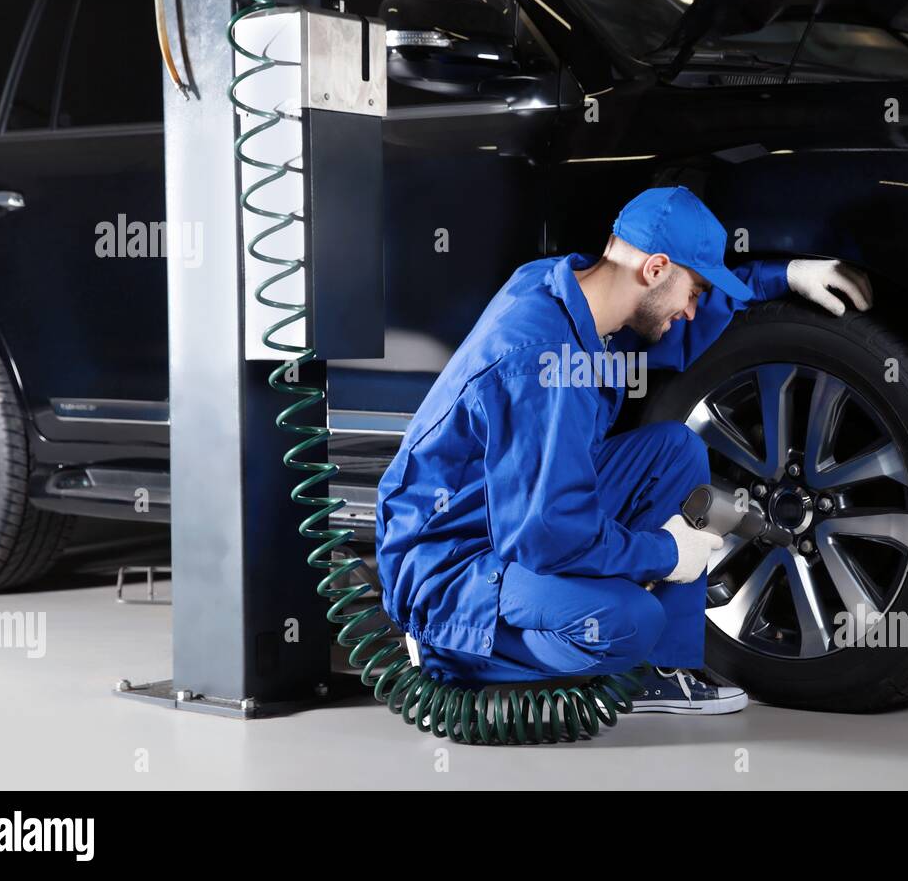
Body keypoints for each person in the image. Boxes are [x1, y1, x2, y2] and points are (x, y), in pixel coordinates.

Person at [374, 186, 872, 714]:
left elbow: (675, 322)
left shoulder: (573, 294)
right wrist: (667, 553)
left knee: (673, 451)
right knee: (629, 620)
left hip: (505, 513)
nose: (689, 310)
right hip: (454, 560)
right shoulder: (545, 364)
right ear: (655, 268)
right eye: (695, 290)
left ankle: (661, 671)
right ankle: (451, 646)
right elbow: (550, 534)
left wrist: (786, 275)